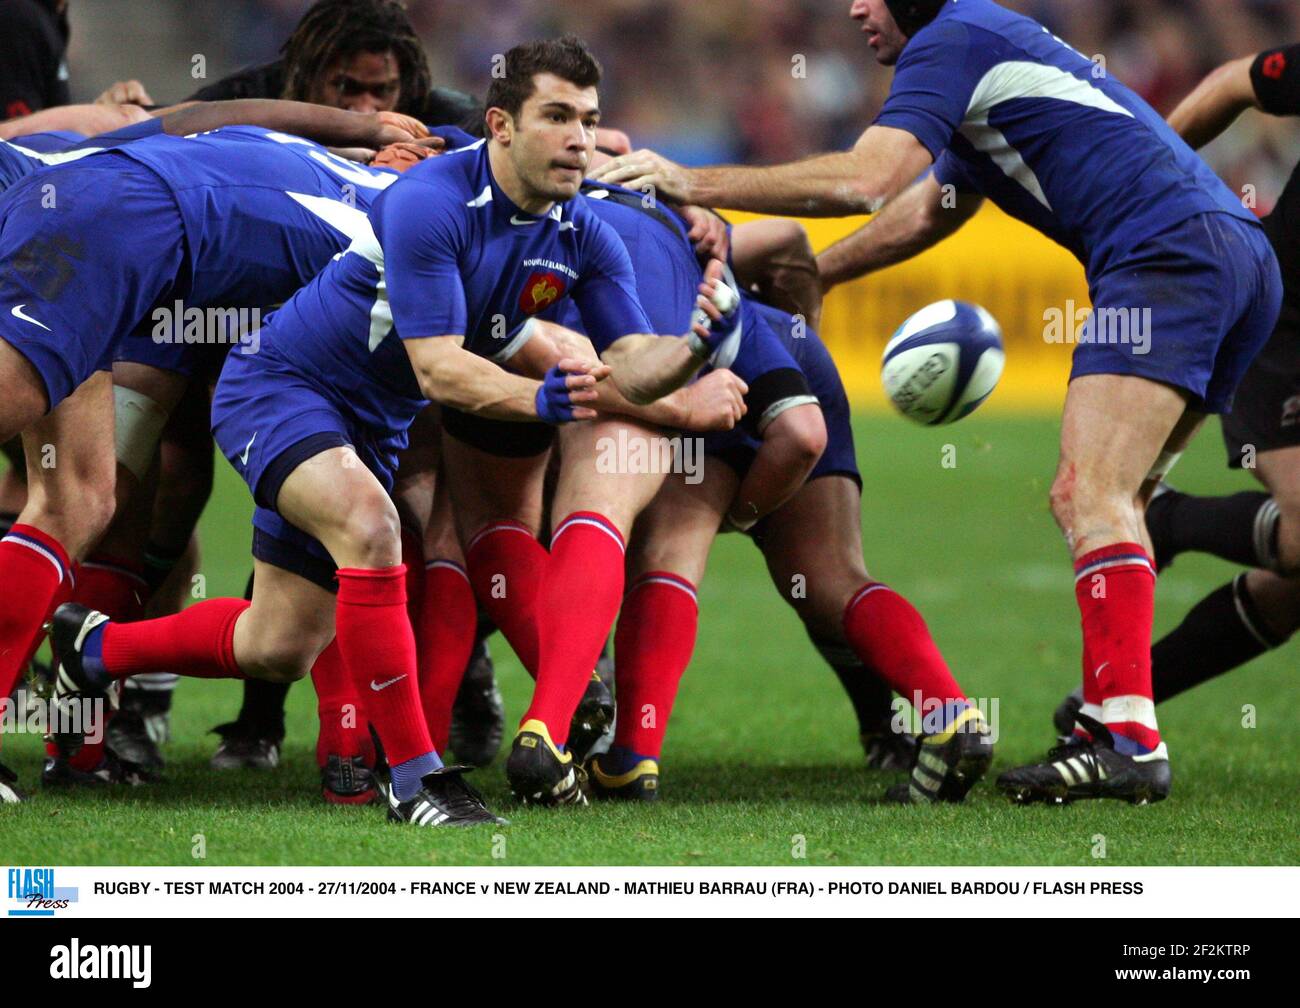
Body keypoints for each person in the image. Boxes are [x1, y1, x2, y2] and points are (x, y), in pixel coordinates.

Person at [592, 0, 1282, 804]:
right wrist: (823, 271)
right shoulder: (984, 46)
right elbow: (933, 206)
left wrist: (688, 178)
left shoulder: (950, 37)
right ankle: (1109, 716)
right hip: (1235, 255)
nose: (855, 9)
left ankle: (1127, 737)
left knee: (1086, 493)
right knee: (1124, 496)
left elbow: (866, 179)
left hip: (1166, 259)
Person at [48, 35, 734, 822]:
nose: (580, 139)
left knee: (278, 643)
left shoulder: (582, 233)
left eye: (589, 118)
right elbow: (441, 370)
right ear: (501, 125)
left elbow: (629, 361)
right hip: (281, 386)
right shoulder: (432, 202)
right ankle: (418, 781)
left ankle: (91, 648)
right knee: (375, 528)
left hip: (367, 426)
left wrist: (689, 350)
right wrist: (540, 401)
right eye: (557, 116)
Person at [0, 101, 421, 797]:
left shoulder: (283, 153)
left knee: (81, 496)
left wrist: (361, 129)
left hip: (95, 214)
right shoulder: (401, 225)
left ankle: (78, 736)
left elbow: (186, 114)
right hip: (113, 222)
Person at [1054, 42, 1300, 733]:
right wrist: (1153, 169)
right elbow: (1234, 80)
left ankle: (1116, 703)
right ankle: (1169, 522)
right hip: (1289, 327)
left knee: (1292, 593)